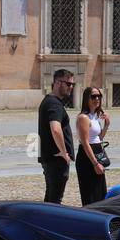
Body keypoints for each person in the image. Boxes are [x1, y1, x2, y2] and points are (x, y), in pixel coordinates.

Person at [38, 69, 76, 203]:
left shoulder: (49, 101)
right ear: (58, 82)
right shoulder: (54, 104)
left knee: (50, 198)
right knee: (55, 200)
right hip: (56, 160)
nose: (71, 87)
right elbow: (56, 129)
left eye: (72, 84)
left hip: (50, 159)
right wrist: (63, 152)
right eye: (69, 84)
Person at [75, 87, 110, 205]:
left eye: (99, 96)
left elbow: (99, 138)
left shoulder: (95, 116)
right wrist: (95, 163)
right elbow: (85, 142)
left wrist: (106, 125)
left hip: (96, 153)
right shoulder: (83, 118)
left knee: (100, 193)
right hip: (87, 157)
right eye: (93, 96)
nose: (97, 99)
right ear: (86, 99)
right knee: (90, 194)